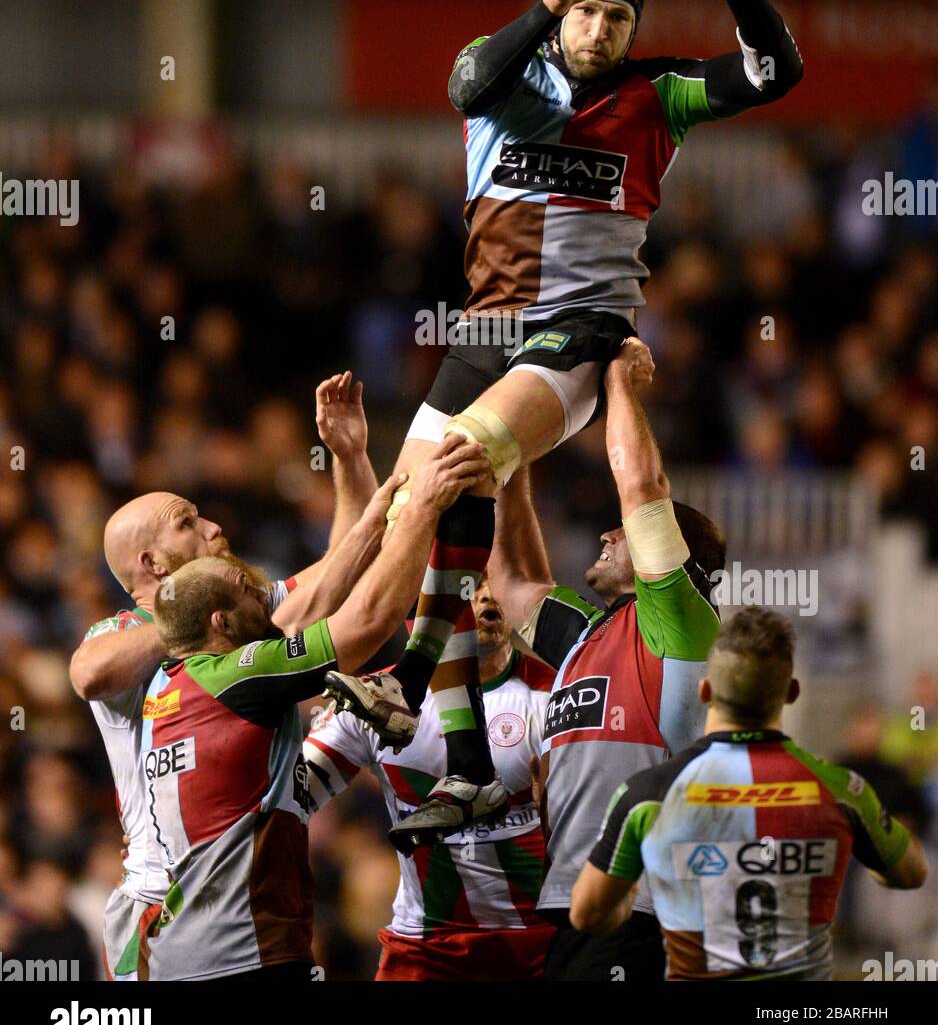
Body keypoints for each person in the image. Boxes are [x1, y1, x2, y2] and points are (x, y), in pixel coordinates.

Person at [326, 0, 802, 844]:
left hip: (579, 335)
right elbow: (464, 84)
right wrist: (547, 4)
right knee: (408, 519)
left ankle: (408, 679)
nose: (599, 29)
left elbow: (773, 72)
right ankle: (467, 766)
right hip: (482, 336)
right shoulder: (507, 78)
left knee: (459, 464)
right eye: (586, 11)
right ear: (561, 10)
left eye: (617, 18)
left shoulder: (660, 94)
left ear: (634, 31)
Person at [138, 435, 489, 981]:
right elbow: (367, 620)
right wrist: (423, 507)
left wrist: (365, 502)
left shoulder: (165, 689)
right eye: (246, 588)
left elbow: (319, 603)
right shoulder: (235, 676)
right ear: (220, 624)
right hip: (242, 954)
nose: (265, 594)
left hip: (178, 953)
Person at [68, 372, 381, 980]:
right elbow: (87, 674)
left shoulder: (237, 606)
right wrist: (187, 624)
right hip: (163, 905)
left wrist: (349, 457)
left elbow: (344, 567)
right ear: (153, 563)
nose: (213, 528)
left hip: (247, 883)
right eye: (187, 523)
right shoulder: (120, 632)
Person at [488, 337, 725, 980]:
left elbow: (641, 485)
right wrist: (512, 452)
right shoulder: (589, 635)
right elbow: (511, 583)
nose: (607, 532)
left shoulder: (680, 624)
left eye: (623, 530)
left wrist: (620, 379)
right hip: (576, 902)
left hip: (641, 907)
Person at [572, 607, 929, 980]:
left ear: (705, 691)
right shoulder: (841, 790)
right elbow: (910, 874)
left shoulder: (648, 794)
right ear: (791, 692)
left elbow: (587, 914)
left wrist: (626, 904)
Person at [306, 574, 555, 980]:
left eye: (493, 581)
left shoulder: (557, 697)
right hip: (425, 946)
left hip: (542, 943)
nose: (485, 594)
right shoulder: (372, 702)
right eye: (469, 583)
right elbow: (293, 798)